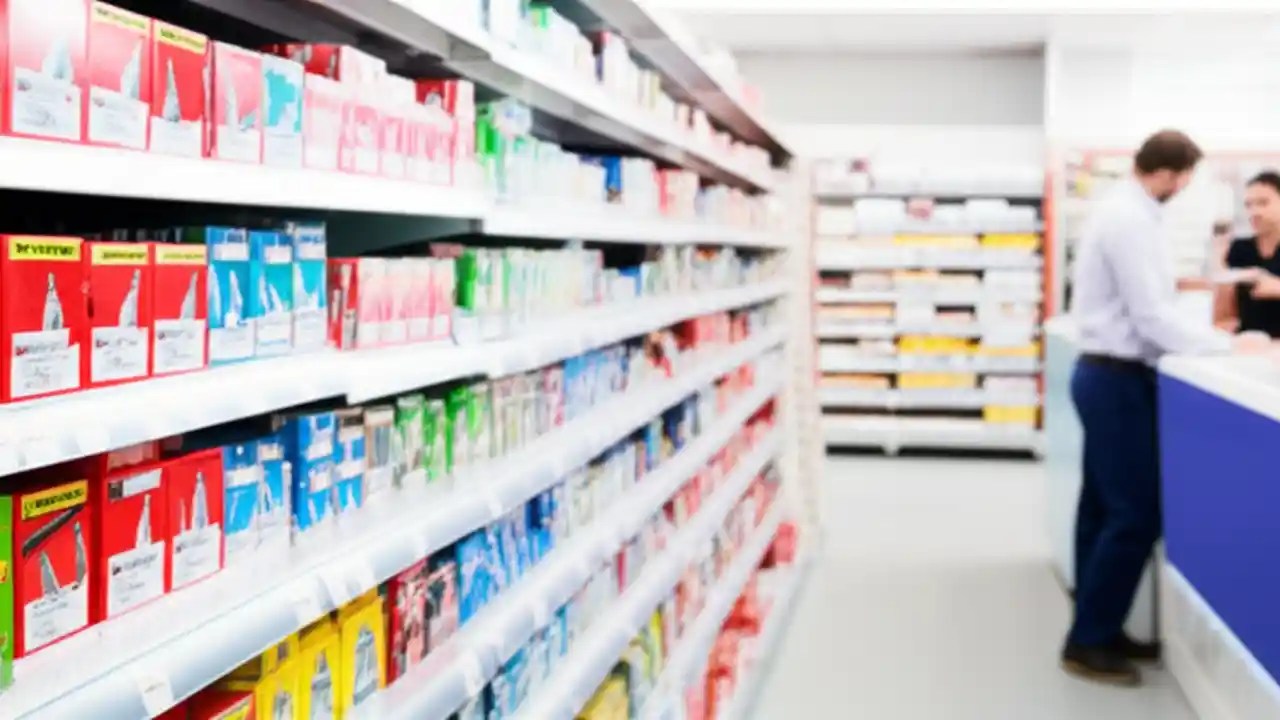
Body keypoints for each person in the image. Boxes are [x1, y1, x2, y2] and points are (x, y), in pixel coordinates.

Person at [1065, 129, 1269, 686]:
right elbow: (1151, 316)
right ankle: (1089, 639)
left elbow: (1151, 304)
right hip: (1116, 379)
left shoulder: (1127, 213)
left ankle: (1096, 625)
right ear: (1174, 174)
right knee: (1135, 513)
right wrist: (1228, 344)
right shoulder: (1130, 220)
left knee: (1102, 510)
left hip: (1105, 376)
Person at [1215, 172, 1280, 334]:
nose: (1254, 212)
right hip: (1250, 346)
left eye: (1263, 203)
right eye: (1249, 205)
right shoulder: (1239, 249)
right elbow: (1222, 317)